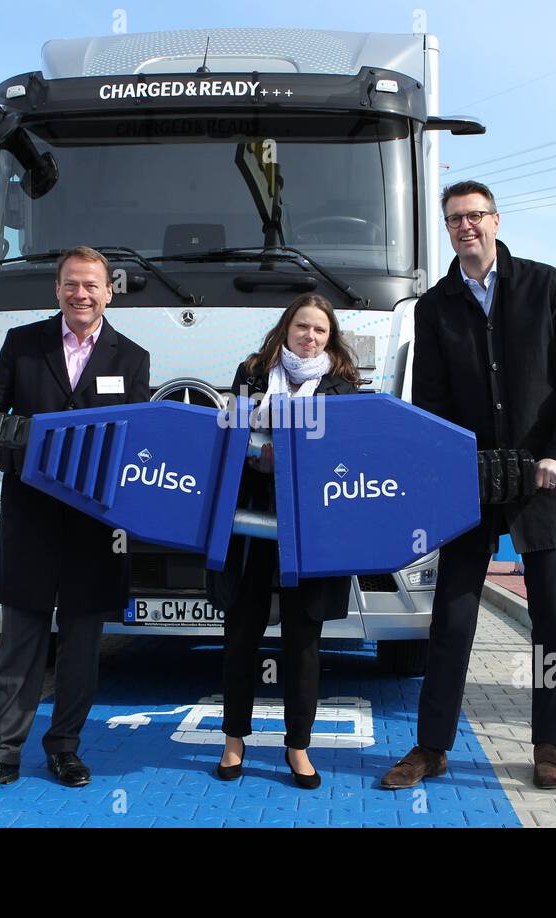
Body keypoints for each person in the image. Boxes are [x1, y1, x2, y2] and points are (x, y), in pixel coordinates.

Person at [380, 181, 556, 791]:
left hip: (545, 482)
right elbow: (431, 403)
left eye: (475, 215)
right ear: (448, 229)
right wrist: (451, 468)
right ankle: (431, 747)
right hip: (471, 485)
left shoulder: (547, 287)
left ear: (496, 221)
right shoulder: (434, 307)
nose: (466, 226)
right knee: (451, 618)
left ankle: (548, 744)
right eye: (455, 219)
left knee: (551, 620)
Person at [0, 246, 150, 794]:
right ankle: (0, 755)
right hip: (32, 517)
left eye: (91, 285)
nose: (80, 294)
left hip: (93, 525)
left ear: (109, 292)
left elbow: (136, 436)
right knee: (21, 643)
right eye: (70, 284)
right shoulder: (23, 344)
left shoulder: (132, 358)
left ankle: (64, 748)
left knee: (82, 649)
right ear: (57, 290)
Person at [208, 294, 360, 789]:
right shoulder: (252, 373)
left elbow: (344, 454)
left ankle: (298, 746)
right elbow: (229, 432)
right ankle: (234, 740)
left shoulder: (343, 386)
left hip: (310, 526)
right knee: (240, 634)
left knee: (303, 640)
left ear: (330, 338)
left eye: (319, 330)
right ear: (286, 328)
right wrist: (256, 457)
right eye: (302, 326)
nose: (309, 336)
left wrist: (291, 458)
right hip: (249, 522)